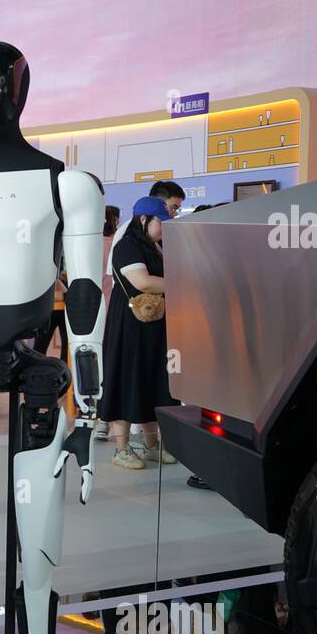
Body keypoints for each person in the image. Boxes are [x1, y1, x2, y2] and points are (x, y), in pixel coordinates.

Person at [95, 184, 181, 441]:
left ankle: (151, 444)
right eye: (161, 222)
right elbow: (142, 282)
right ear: (143, 219)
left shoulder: (153, 246)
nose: (164, 228)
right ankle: (122, 448)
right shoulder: (127, 245)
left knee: (150, 380)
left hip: (152, 324)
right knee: (126, 379)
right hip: (129, 324)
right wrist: (185, 285)